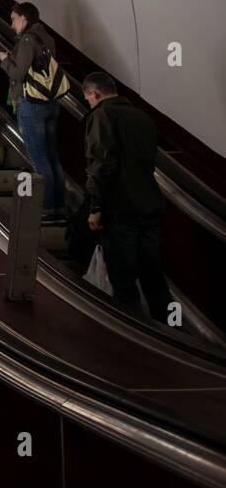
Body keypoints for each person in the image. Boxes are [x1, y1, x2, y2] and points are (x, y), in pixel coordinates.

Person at [81, 72, 173, 322]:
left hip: (120, 211)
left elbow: (102, 165)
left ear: (94, 94)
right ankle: (171, 336)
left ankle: (133, 341)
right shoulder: (143, 117)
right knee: (154, 278)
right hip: (150, 207)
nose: (90, 104)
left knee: (123, 282)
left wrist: (96, 207)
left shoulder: (102, 115)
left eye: (88, 99)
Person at [0, 2, 68, 223]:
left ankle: (46, 208)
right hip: (50, 103)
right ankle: (58, 206)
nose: (12, 24)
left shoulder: (28, 40)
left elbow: (19, 74)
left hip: (32, 104)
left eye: (14, 19)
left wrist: (5, 60)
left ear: (24, 18)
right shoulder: (47, 38)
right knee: (52, 156)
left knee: (39, 159)